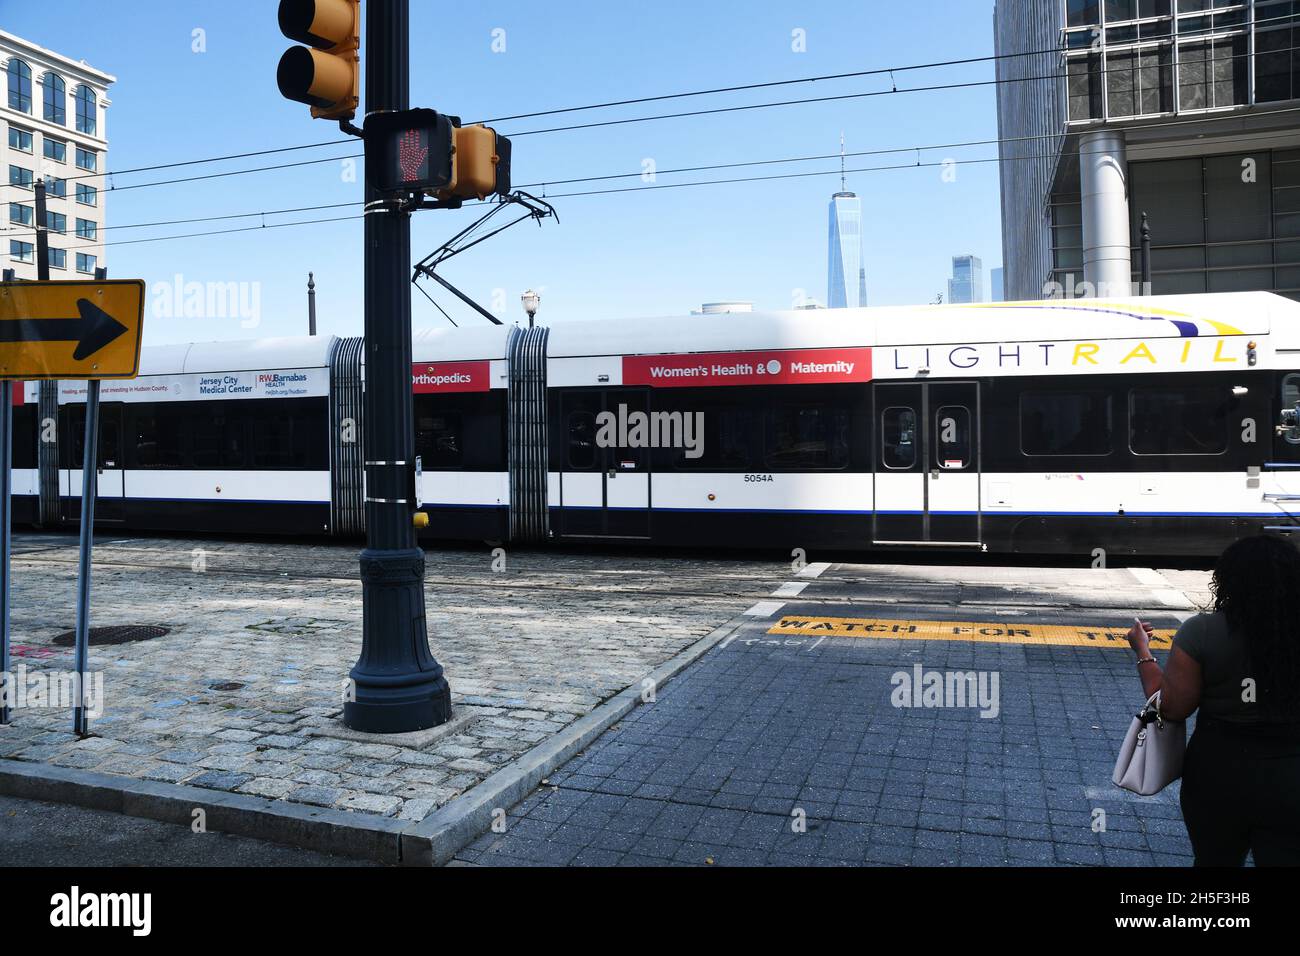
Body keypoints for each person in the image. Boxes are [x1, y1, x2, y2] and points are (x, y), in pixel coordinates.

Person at [1127, 534, 1300, 866]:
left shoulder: (1201, 632)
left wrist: (1142, 651)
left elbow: (1172, 708)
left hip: (1219, 774)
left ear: (1228, 580)